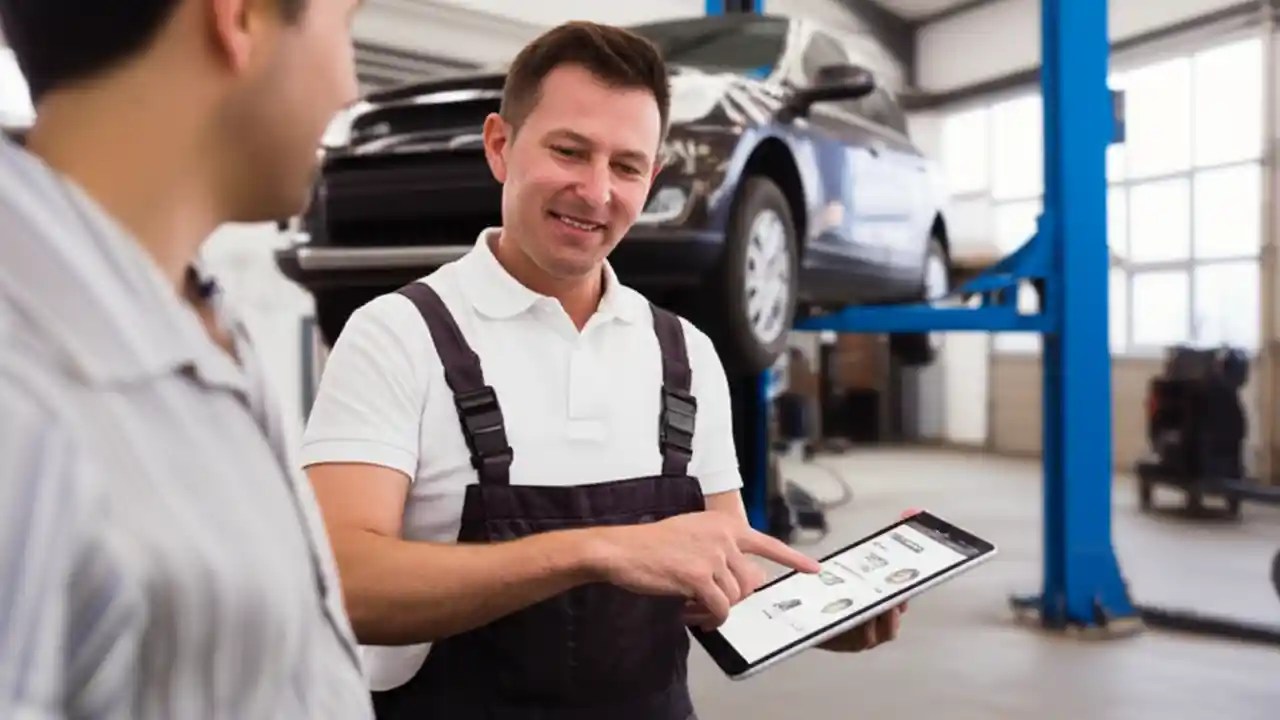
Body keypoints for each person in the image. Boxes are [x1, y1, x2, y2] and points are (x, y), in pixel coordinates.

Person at [301, 20, 908, 720]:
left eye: (626, 166)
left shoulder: (684, 356)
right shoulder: (397, 336)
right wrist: (593, 552)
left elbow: (722, 586)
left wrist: (824, 619)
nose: (595, 192)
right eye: (569, 151)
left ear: (651, 179)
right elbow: (339, 584)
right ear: (500, 146)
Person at [0, 0, 373, 717]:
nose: (350, 90)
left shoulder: (195, 319)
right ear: (238, 19)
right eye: (344, 24)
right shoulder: (23, 396)